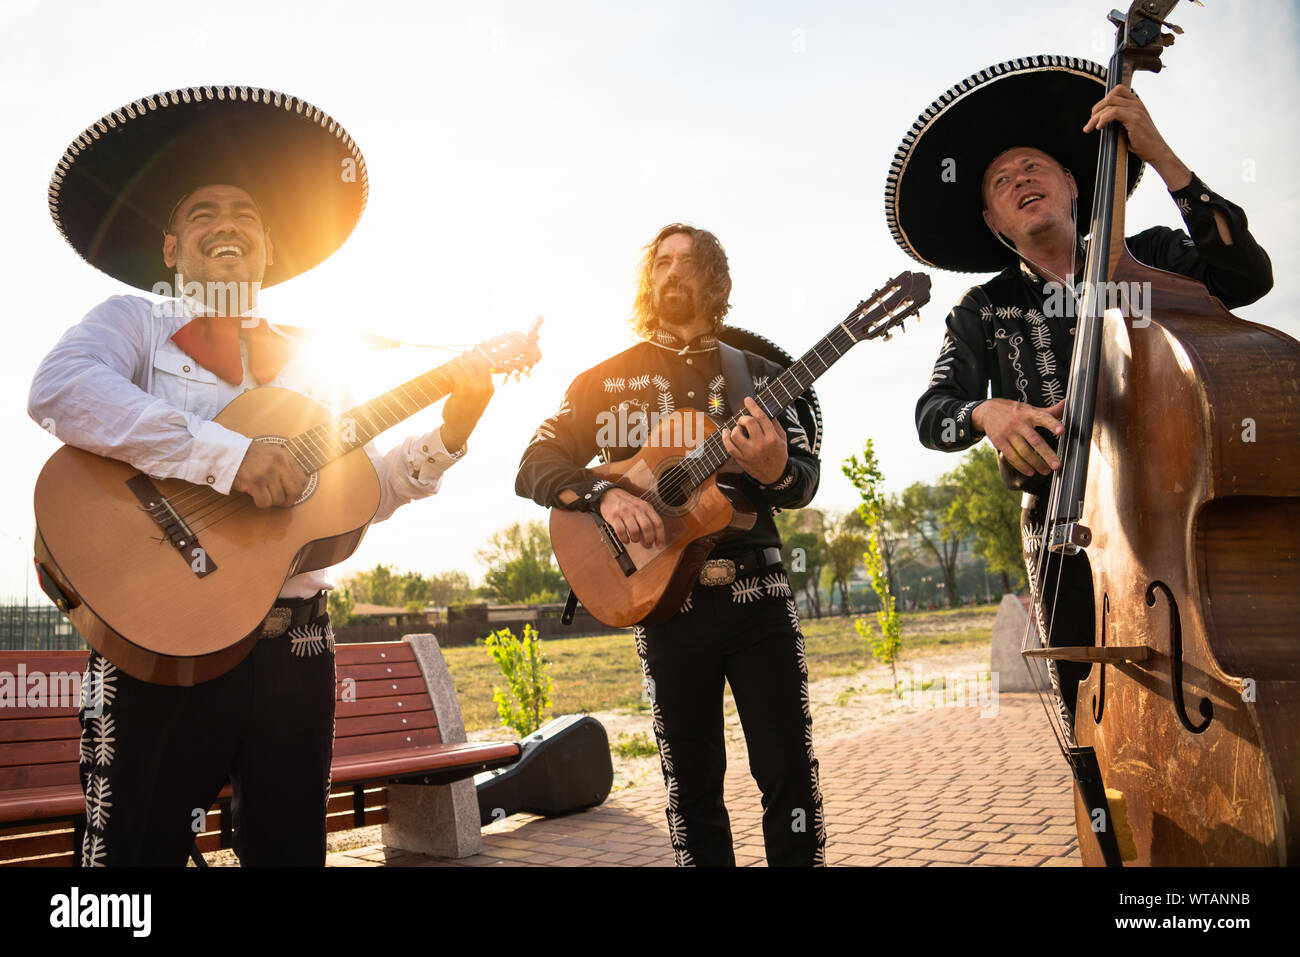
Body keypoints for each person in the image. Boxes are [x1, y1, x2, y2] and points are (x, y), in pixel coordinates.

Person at [30, 86, 494, 866]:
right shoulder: (133, 323)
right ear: (172, 248)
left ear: (267, 250)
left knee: (289, 854)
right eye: (203, 213)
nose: (227, 226)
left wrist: (451, 429)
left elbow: (359, 494)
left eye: (244, 215)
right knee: (128, 864)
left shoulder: (309, 362)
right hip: (159, 643)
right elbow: (62, 389)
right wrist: (226, 455)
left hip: (294, 651)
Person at [886, 56, 1272, 736]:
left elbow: (1248, 275)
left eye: (1034, 166)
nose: (1020, 181)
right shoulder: (984, 308)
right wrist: (988, 410)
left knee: (1231, 700)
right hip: (1067, 537)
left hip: (1179, 524)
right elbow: (931, 415)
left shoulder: (1150, 257)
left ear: (1071, 181)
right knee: (1090, 723)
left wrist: (1164, 156)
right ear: (995, 220)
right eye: (1002, 182)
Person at [515, 224, 826, 866]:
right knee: (691, 792)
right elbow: (534, 461)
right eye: (662, 262)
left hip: (758, 599)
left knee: (788, 776)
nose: (673, 272)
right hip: (663, 606)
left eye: (689, 262)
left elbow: (803, 481)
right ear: (648, 280)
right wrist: (604, 496)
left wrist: (773, 471)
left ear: (716, 280)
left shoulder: (765, 377)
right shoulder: (603, 383)